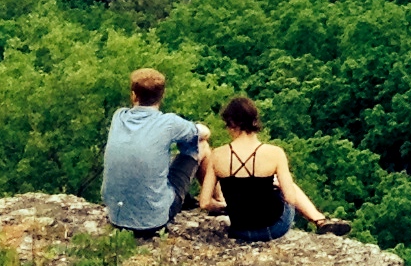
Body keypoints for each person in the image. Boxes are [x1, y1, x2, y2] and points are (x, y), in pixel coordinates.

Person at [199, 95, 347, 241]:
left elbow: (204, 202)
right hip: (273, 228)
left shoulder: (217, 155)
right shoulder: (275, 153)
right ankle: (320, 220)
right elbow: (290, 198)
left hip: (240, 231)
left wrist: (225, 207)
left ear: (231, 123)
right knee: (285, 185)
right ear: (255, 121)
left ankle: (320, 220)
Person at [99, 68, 209, 237]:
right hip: (153, 221)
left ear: (134, 95)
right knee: (202, 146)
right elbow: (205, 133)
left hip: (116, 217)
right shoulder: (169, 123)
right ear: (161, 96)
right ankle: (215, 201)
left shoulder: (118, 116)